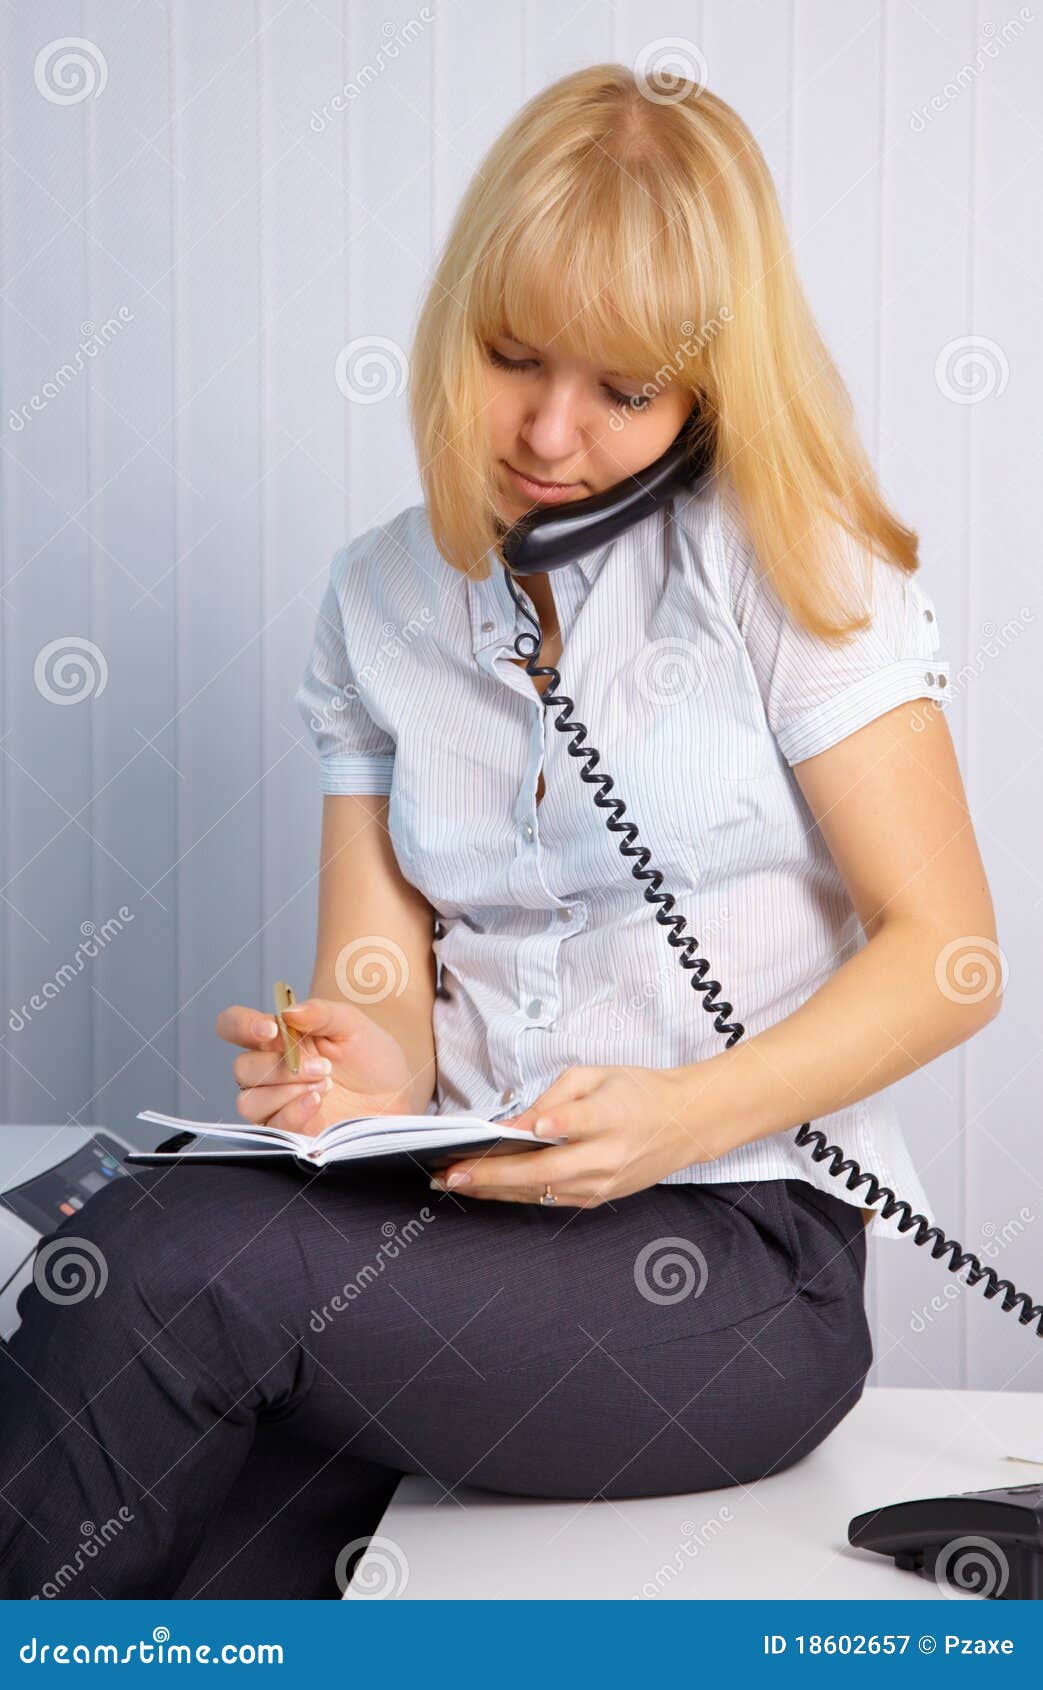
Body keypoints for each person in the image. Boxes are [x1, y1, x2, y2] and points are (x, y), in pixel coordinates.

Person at [0, 62, 1001, 1602]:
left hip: (733, 1259)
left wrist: (685, 1111)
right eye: (513, 357)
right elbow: (383, 993)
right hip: (450, 1226)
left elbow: (953, 955)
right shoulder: (379, 597)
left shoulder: (791, 560)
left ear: (709, 389)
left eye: (626, 389)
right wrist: (339, 1065)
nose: (546, 430)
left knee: (156, 1262)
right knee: (194, 1521)